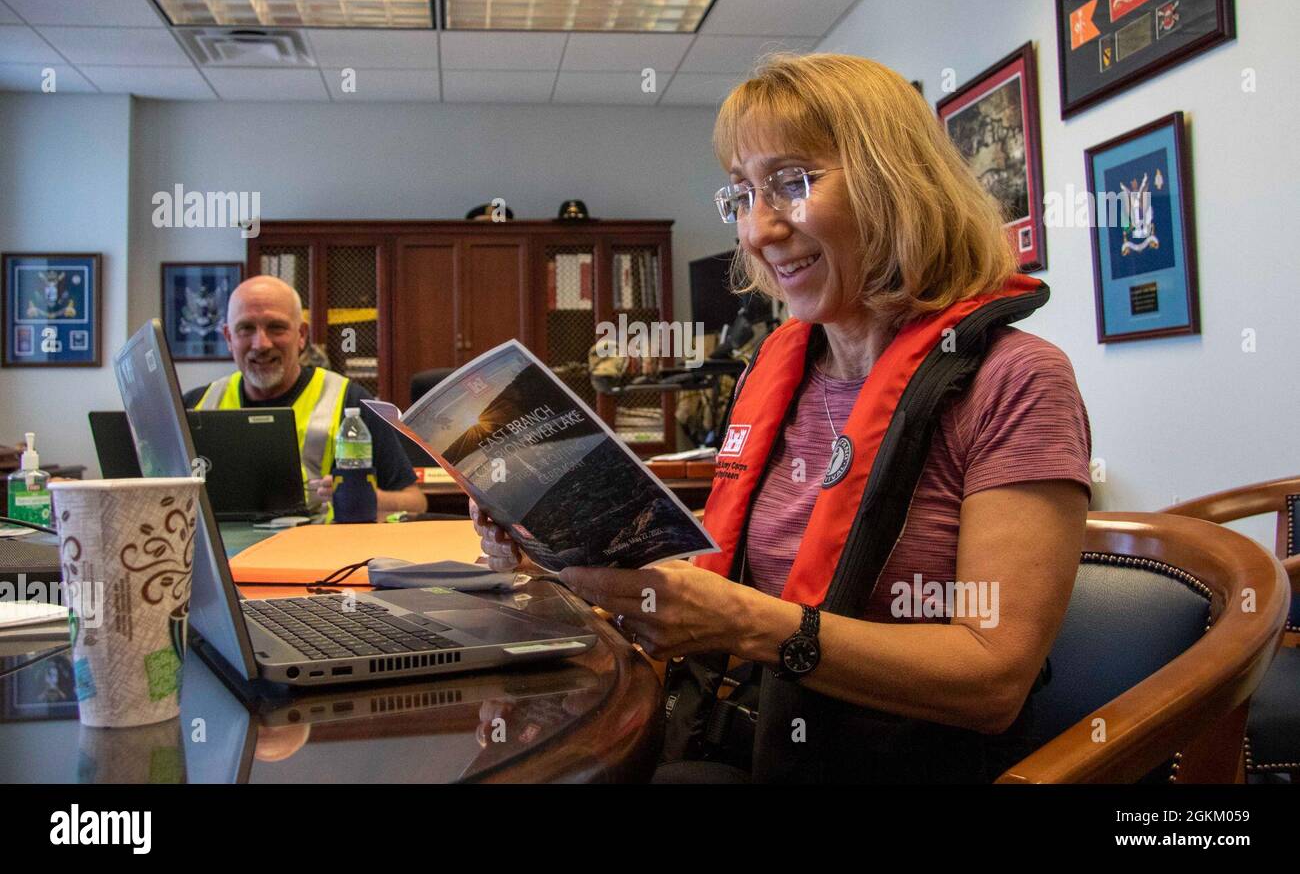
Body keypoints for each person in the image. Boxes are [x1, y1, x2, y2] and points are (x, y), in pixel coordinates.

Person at [471, 53, 1092, 783]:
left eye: (792, 183)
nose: (758, 229)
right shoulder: (777, 371)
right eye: (740, 194)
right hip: (737, 738)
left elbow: (994, 680)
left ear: (897, 184)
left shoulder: (1018, 380)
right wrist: (563, 557)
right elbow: (737, 585)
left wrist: (742, 624)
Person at [182, 275, 425, 519]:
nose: (261, 343)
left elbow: (415, 502)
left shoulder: (351, 401)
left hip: (321, 552)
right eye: (246, 329)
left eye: (276, 327)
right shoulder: (193, 405)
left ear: (301, 335)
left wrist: (360, 493)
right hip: (226, 553)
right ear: (228, 338)